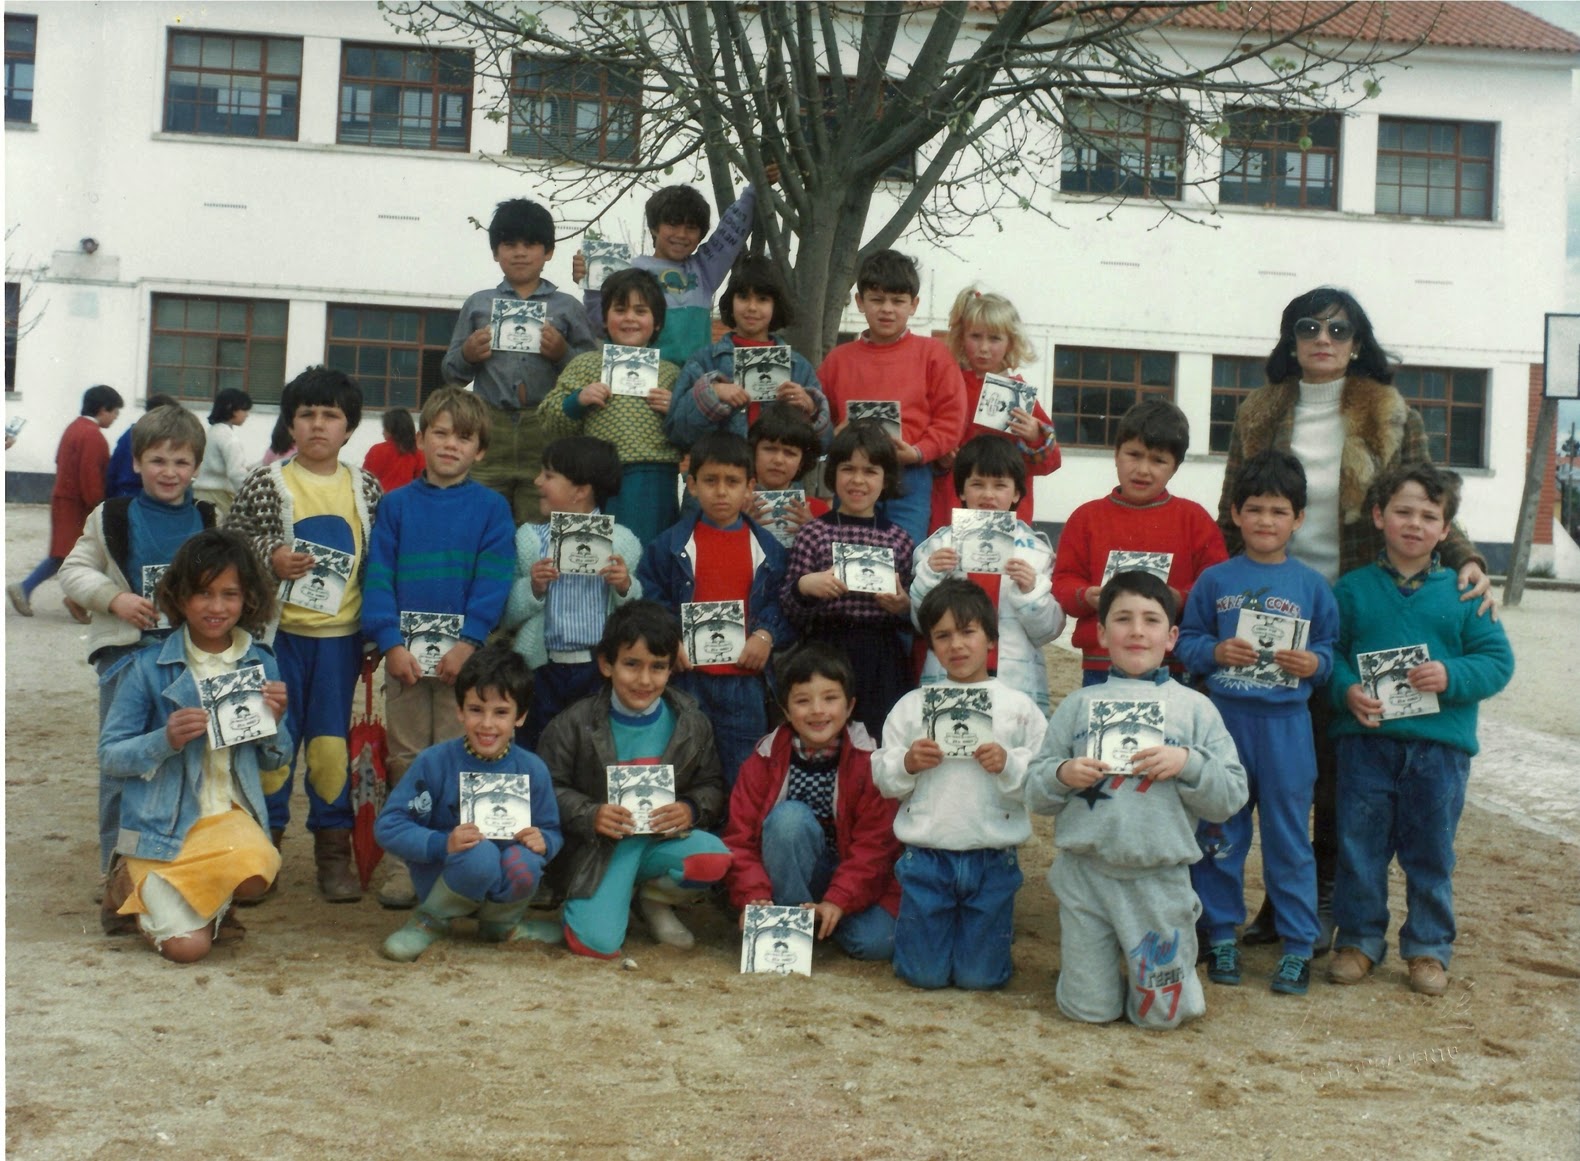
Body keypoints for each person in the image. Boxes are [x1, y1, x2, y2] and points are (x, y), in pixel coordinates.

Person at [1218, 287, 1496, 951]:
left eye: (1339, 329)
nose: (1324, 338)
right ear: (1291, 339)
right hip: (1273, 603)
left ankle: (1322, 897)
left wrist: (1466, 558)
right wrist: (1219, 588)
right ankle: (1275, 899)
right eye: (1309, 326)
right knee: (1277, 763)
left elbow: (1424, 491)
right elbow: (1234, 498)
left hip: (1354, 603)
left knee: (1340, 761)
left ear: (1357, 340)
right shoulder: (1258, 409)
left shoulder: (1388, 409)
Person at [1025, 572, 1249, 1029]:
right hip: (1086, 875)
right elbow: (1034, 792)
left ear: (1171, 637)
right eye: (1122, 619)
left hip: (1158, 880)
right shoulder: (1078, 705)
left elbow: (1230, 796)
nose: (1136, 630)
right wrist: (1063, 774)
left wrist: (1187, 762)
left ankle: (1170, 978)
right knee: (1090, 1010)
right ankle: (1095, 977)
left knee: (1162, 1017)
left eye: (1151, 620)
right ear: (1102, 633)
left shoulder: (1195, 708)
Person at [1326, 463, 1513, 997]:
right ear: (1379, 516)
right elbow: (1333, 655)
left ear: (1446, 530)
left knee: (1431, 852)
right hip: (1368, 743)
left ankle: (1429, 947)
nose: (1414, 524)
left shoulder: (1462, 593)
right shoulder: (1354, 590)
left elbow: (1497, 661)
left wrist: (1452, 675)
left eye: (1429, 515)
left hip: (1440, 750)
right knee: (1359, 845)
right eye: (1403, 511)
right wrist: (1346, 690)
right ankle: (1359, 939)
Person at [1176, 450, 1339, 996]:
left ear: (1298, 518)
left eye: (1277, 510)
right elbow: (1190, 642)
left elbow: (1330, 651)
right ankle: (1220, 931)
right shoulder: (1215, 580)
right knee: (1220, 833)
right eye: (1254, 509)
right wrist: (1216, 651)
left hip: (1288, 729)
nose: (1265, 521)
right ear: (1235, 513)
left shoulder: (1313, 586)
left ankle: (1297, 944)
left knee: (1290, 840)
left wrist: (1314, 664)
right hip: (1226, 725)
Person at [96, 529, 289, 963]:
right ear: (180, 598)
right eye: (203, 593)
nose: (217, 607)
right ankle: (127, 881)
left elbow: (279, 759)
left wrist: (275, 724)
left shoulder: (260, 660)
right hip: (161, 827)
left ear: (248, 600)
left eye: (229, 594)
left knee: (260, 875)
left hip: (227, 818)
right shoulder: (147, 665)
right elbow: (110, 755)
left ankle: (209, 903)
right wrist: (164, 739)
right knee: (188, 950)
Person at [226, 366, 382, 902]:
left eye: (330, 416)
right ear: (291, 425)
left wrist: (377, 634)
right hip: (275, 640)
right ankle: (261, 850)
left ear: (349, 426)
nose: (318, 426)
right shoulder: (266, 482)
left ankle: (332, 853)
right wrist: (270, 557)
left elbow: (379, 564)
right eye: (307, 415)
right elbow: (234, 543)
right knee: (269, 742)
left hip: (339, 641)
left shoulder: (366, 488)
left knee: (330, 749)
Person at [59, 404, 218, 927]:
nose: (169, 471)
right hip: (128, 661)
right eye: (157, 460)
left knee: (193, 767)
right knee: (125, 768)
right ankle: (118, 877)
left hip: (191, 662)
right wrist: (112, 598)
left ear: (196, 465)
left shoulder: (211, 518)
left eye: (180, 460)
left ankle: (179, 871)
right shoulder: (112, 516)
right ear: (137, 461)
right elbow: (74, 569)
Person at [361, 387, 515, 908]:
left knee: (464, 755)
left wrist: (470, 641)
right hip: (404, 661)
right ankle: (411, 863)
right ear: (422, 438)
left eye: (464, 437)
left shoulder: (493, 509)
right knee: (407, 758)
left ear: (481, 451)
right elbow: (378, 576)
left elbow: (493, 581)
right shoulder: (397, 505)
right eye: (441, 433)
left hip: (463, 666)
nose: (451, 444)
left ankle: (463, 861)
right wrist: (389, 643)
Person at [872, 579, 1047, 990]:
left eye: (968, 632)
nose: (957, 645)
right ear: (931, 645)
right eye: (943, 636)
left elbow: (1043, 778)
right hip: (927, 855)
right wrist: (908, 763)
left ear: (991, 638)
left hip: (993, 855)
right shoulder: (912, 706)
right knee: (923, 976)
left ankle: (982, 948)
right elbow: (883, 776)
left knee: (979, 978)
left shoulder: (1019, 708)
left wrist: (1008, 764)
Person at [535, 601, 731, 957]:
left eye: (658, 667)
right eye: (631, 665)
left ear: (672, 669)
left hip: (659, 842)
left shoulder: (690, 721)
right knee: (594, 944)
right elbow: (546, 788)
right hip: (600, 850)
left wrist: (689, 808)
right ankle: (601, 900)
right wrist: (591, 814)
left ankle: (652, 900)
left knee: (714, 858)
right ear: (606, 664)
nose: (644, 680)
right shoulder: (573, 724)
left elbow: (712, 785)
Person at [374, 646, 563, 961]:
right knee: (480, 854)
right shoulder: (434, 762)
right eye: (476, 709)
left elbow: (552, 830)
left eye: (501, 712)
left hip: (503, 884)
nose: (487, 724)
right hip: (444, 877)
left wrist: (545, 842)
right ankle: (430, 921)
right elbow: (389, 827)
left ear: (521, 716)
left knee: (526, 860)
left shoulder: (532, 769)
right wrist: (441, 842)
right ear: (459, 710)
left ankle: (502, 925)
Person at [723, 643, 900, 962]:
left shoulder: (871, 761)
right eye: (803, 701)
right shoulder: (763, 760)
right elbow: (740, 839)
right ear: (787, 711)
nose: (817, 710)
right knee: (789, 820)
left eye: (830, 698)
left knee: (878, 943)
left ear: (850, 706)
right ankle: (790, 923)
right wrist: (755, 896)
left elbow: (875, 847)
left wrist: (839, 900)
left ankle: (824, 918)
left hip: (847, 875)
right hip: (787, 874)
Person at [637, 430, 790, 790]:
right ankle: (688, 839)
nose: (721, 491)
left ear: (750, 487)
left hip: (745, 682)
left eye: (732, 482)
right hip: (685, 678)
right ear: (691, 485)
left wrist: (765, 634)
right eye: (710, 481)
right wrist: (669, 639)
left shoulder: (768, 550)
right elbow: (649, 596)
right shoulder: (669, 546)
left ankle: (737, 843)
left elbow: (783, 602)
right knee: (684, 767)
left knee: (744, 774)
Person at [443, 198, 598, 524]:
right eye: (509, 243)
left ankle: (533, 577)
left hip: (546, 431)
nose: (520, 252)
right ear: (495, 252)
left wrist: (562, 354)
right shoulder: (478, 304)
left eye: (530, 243)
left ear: (549, 251)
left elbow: (592, 372)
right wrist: (468, 354)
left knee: (538, 525)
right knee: (481, 521)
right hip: (488, 428)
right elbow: (450, 373)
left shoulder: (567, 307)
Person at [1052, 398, 1227, 686]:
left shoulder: (1194, 519)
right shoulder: (1086, 518)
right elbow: (1063, 582)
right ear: (1116, 454)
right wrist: (1087, 596)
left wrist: (1180, 599)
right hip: (1103, 661)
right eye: (1134, 454)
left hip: (1172, 663)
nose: (1143, 469)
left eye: (1158, 460)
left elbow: (1215, 584)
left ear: (1175, 467)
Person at [816, 249, 967, 547]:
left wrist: (920, 452)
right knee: (848, 556)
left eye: (898, 301)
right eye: (877, 299)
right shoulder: (838, 360)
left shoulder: (933, 354)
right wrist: (833, 438)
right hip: (852, 476)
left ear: (913, 305)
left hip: (909, 475)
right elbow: (820, 422)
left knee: (906, 556)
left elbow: (952, 417)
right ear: (860, 302)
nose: (887, 309)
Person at [502, 435, 643, 750]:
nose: (538, 481)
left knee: (591, 746)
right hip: (542, 666)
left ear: (581, 490)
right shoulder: (530, 540)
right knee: (537, 743)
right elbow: (509, 615)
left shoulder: (621, 541)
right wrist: (533, 588)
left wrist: (624, 586)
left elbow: (635, 611)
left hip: (598, 668)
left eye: (549, 475)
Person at [779, 422, 916, 739]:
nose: (857, 480)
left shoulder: (899, 540)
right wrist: (805, 587)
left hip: (881, 656)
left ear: (886, 479)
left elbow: (912, 617)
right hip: (825, 648)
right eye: (847, 469)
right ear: (833, 475)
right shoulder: (814, 534)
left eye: (870, 471)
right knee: (828, 735)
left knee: (879, 735)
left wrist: (902, 606)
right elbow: (790, 609)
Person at [910, 435, 1065, 714]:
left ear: (1017, 493)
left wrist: (1031, 591)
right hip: (950, 674)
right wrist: (930, 576)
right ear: (961, 491)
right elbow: (920, 622)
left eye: (1000, 485)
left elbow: (1048, 632)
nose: (988, 495)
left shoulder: (1036, 551)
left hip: (1014, 681)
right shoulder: (938, 546)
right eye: (977, 484)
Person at [538, 267, 683, 546]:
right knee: (594, 556)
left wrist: (676, 410)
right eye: (620, 309)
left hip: (654, 484)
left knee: (646, 559)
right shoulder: (586, 365)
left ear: (657, 323)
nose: (630, 318)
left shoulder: (671, 374)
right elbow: (548, 420)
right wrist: (577, 401)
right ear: (605, 318)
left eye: (640, 311)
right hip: (595, 480)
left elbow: (689, 434)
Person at [575, 174, 775, 367]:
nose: (681, 234)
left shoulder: (703, 271)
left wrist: (753, 190)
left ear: (701, 234)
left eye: (691, 228)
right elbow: (601, 324)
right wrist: (590, 282)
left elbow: (729, 232)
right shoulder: (629, 270)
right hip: (642, 385)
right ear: (654, 227)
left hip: (694, 386)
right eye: (672, 224)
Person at [666, 256, 831, 454]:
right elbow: (678, 434)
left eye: (762, 299)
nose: (752, 307)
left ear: (775, 305)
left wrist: (811, 410)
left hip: (777, 483)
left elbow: (824, 447)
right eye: (743, 297)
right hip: (721, 481)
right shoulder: (703, 362)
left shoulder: (799, 368)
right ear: (731, 301)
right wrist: (711, 394)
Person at [929, 287, 1059, 531]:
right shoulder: (947, 383)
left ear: (1011, 343)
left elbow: (1050, 462)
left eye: (994, 338)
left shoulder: (1018, 392)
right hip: (952, 505)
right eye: (976, 336)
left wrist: (1033, 436)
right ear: (961, 336)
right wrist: (941, 457)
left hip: (1007, 512)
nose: (984, 347)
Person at [9, 383, 124, 622]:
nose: (115, 418)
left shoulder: (74, 427)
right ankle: (35, 590)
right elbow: (90, 475)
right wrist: (99, 504)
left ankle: (49, 593)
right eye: (114, 412)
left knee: (68, 553)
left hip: (65, 498)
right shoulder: (93, 436)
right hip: (78, 504)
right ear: (103, 409)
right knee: (73, 554)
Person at [745, 403, 830, 548]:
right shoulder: (733, 507)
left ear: (802, 462)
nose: (778, 460)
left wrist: (813, 531)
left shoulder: (819, 512)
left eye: (789, 453)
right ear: (754, 452)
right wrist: (740, 526)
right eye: (770, 449)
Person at [192, 388, 253, 519]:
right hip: (219, 497)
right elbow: (236, 473)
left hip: (200, 492)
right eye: (244, 409)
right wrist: (249, 498)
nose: (247, 414)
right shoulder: (229, 438)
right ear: (231, 408)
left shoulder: (212, 431)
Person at [104, 393, 180, 499]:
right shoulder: (162, 438)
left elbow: (113, 470)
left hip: (122, 494)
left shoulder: (129, 433)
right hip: (143, 498)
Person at [361, 407, 425, 494]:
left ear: (391, 429)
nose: (382, 432)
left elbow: (365, 481)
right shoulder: (417, 454)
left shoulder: (376, 450)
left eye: (385, 428)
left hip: (380, 501)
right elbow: (421, 484)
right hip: (406, 502)